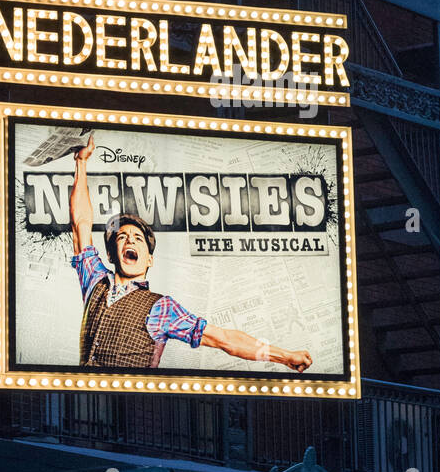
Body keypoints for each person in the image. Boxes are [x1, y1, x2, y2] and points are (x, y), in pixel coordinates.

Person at [69, 136, 313, 373]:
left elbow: (224, 340)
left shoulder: (162, 308)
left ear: (150, 259)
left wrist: (285, 356)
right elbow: (80, 222)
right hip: (85, 393)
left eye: (138, 238)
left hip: (129, 403)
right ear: (112, 255)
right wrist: (81, 162)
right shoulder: (95, 282)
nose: (130, 240)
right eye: (122, 237)